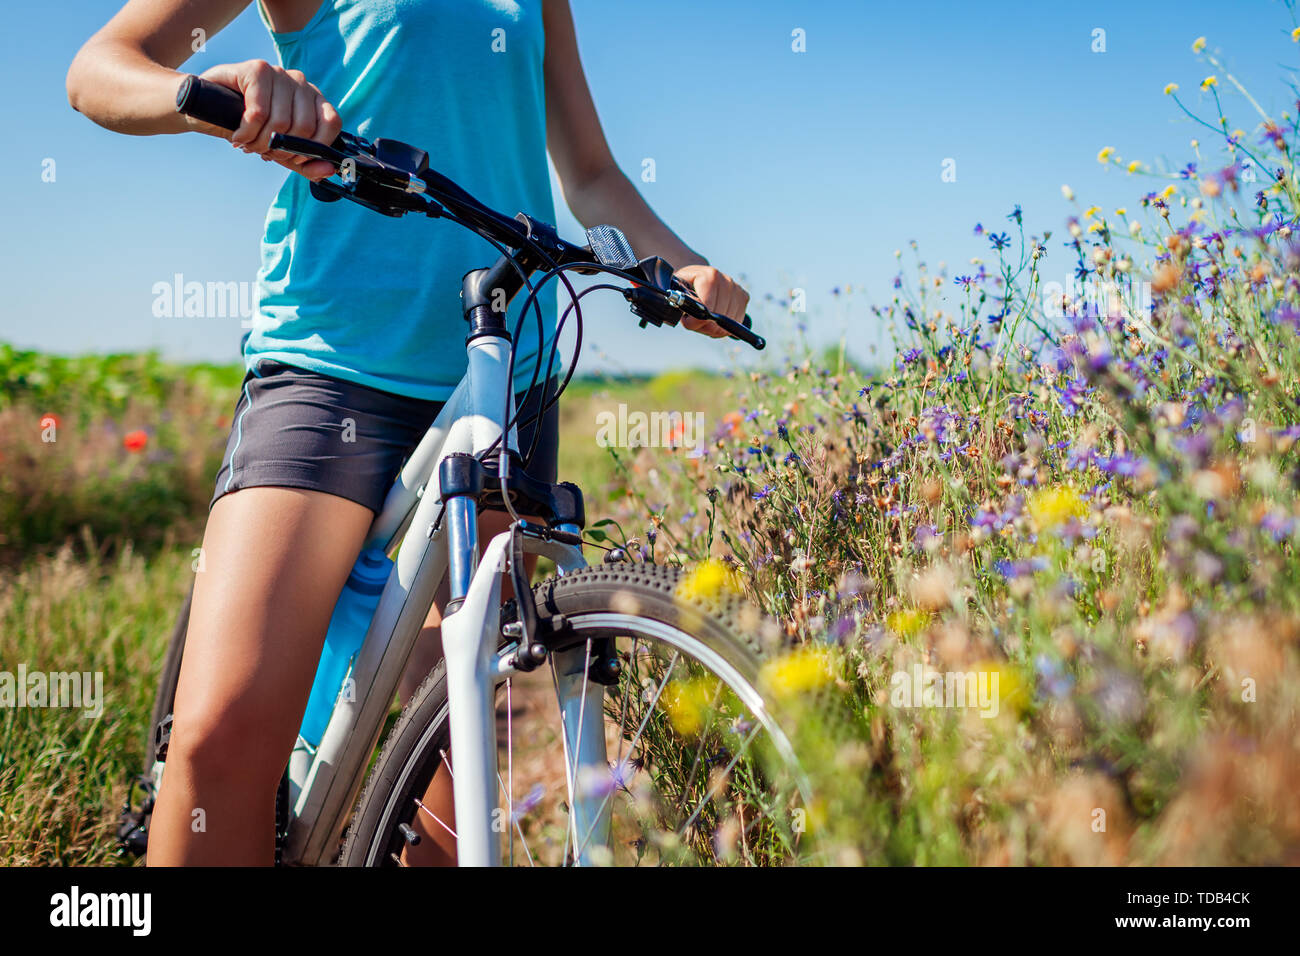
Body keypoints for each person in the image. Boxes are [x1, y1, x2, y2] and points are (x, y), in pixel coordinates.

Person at [67, 0, 749, 866]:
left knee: (456, 745)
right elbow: (100, 67)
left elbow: (589, 172)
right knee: (221, 740)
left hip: (505, 367)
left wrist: (677, 266)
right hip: (332, 359)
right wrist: (212, 89)